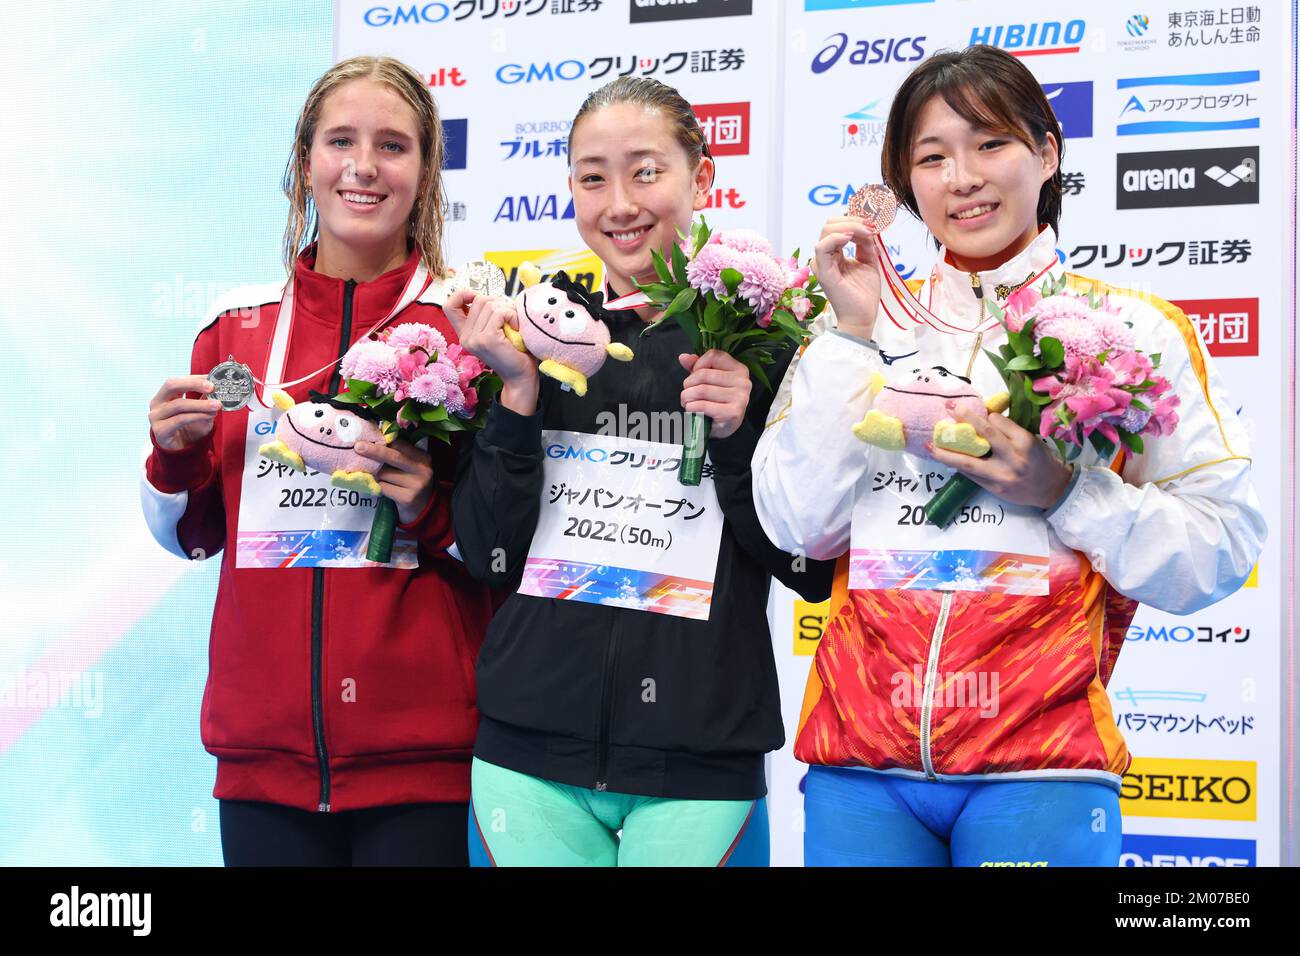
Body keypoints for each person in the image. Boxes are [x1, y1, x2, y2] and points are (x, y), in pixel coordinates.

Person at [752, 45, 1266, 867]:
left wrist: (1066, 492)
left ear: (1048, 153)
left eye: (990, 142)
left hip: (1042, 761)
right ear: (904, 182)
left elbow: (1218, 550)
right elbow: (798, 527)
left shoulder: (1127, 330)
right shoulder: (858, 328)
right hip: (858, 760)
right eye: (932, 156)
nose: (963, 177)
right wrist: (849, 336)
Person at [446, 76, 834, 866]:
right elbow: (490, 554)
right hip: (528, 757)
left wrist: (734, 432)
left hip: (698, 761)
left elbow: (809, 568)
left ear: (703, 175)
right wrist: (516, 396)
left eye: (645, 170)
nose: (619, 202)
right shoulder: (538, 329)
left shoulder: (773, 338)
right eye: (593, 177)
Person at [140, 56, 493, 866]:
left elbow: (506, 548)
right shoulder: (232, 331)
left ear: (428, 170)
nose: (363, 167)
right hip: (262, 763)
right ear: (306, 161)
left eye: (393, 146)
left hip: (425, 763)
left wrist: (428, 507)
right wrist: (171, 461)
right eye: (341, 141)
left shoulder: (468, 332)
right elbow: (196, 539)